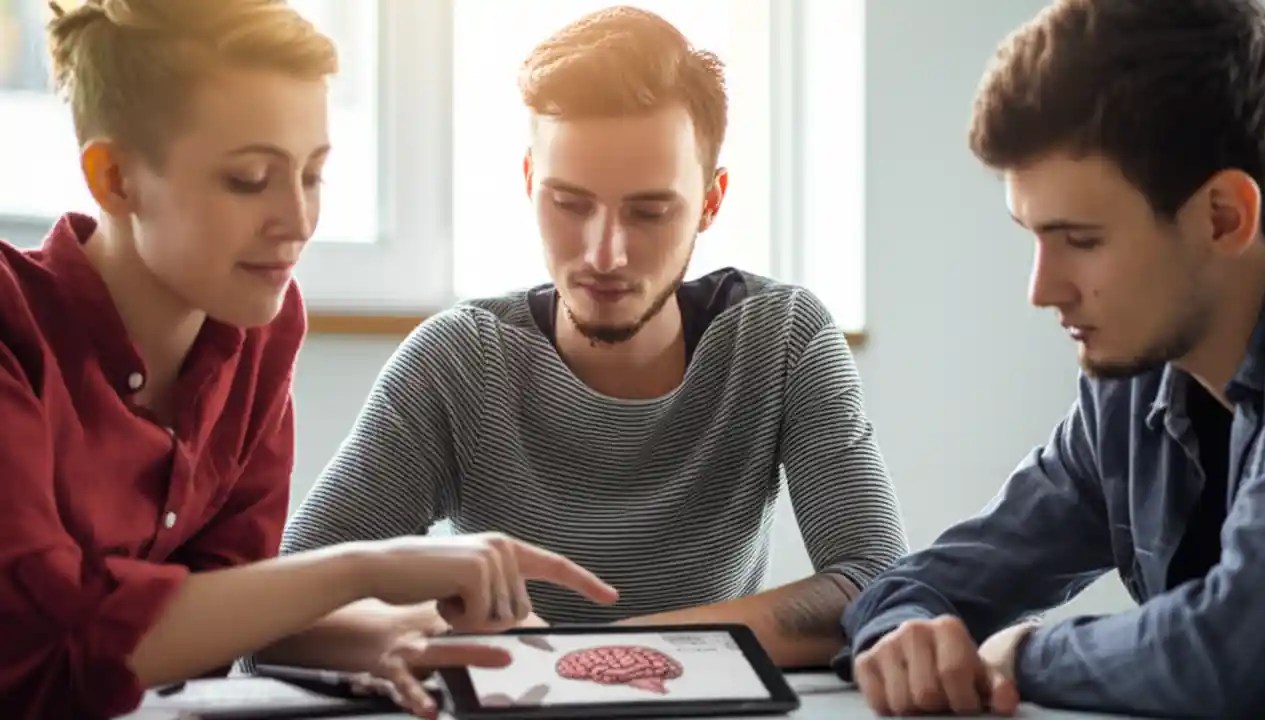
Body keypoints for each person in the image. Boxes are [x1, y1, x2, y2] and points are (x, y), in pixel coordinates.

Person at [260, 3, 907, 698]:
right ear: (530, 181)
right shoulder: (459, 362)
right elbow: (277, 607)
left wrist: (596, 655)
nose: (606, 253)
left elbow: (876, 582)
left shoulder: (780, 341)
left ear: (712, 202)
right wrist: (444, 625)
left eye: (649, 212)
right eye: (569, 204)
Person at [0, 2, 617, 718]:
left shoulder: (257, 328)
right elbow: (46, 649)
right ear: (114, 180)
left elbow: (223, 605)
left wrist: (385, 640)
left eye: (313, 175)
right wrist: (364, 568)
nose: (296, 222)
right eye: (249, 179)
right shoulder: (14, 335)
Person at [839, 0, 1265, 716]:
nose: (1041, 291)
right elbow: (920, 584)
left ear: (1223, 217)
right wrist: (906, 638)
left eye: (1081, 240)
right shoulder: (1129, 395)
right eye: (1032, 234)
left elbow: (1234, 652)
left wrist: (1020, 653)